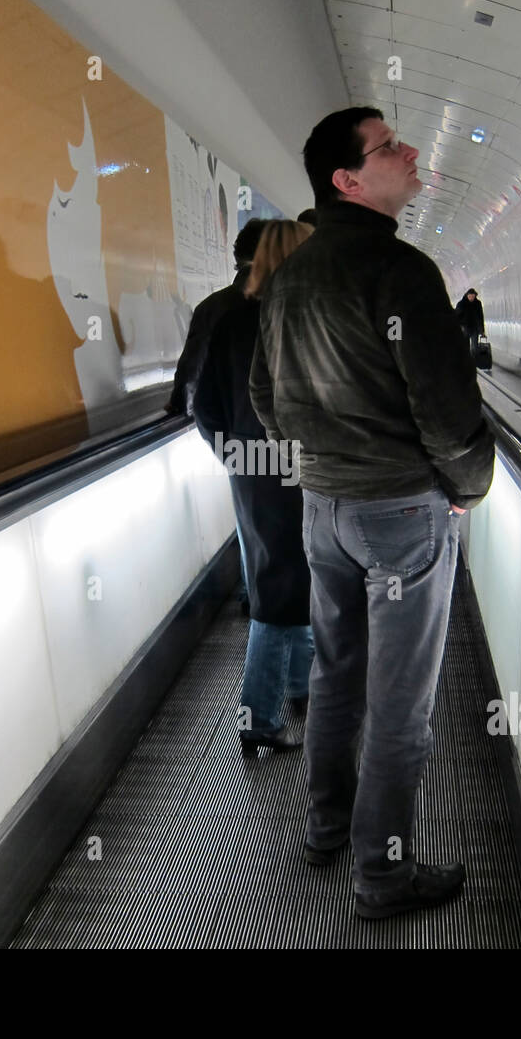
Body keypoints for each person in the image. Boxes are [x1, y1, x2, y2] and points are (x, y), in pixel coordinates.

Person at [250, 107, 494, 920]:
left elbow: (263, 397)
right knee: (400, 706)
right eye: (389, 146)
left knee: (336, 679)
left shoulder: (288, 278)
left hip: (323, 509)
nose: (411, 150)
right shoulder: (402, 272)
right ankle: (382, 874)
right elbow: (447, 409)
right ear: (349, 181)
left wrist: (321, 452)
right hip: (401, 515)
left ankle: (324, 833)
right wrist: (470, 483)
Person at [194, 220, 315, 757]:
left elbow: (204, 404)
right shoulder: (301, 319)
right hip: (298, 469)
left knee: (283, 582)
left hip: (254, 469)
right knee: (283, 590)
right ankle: (258, 718)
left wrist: (235, 454)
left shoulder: (230, 320)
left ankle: (302, 686)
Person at [166, 218, 267, 416]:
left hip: (234, 429)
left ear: (237, 257)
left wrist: (180, 404)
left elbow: (192, 373)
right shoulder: (284, 301)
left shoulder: (211, 307)